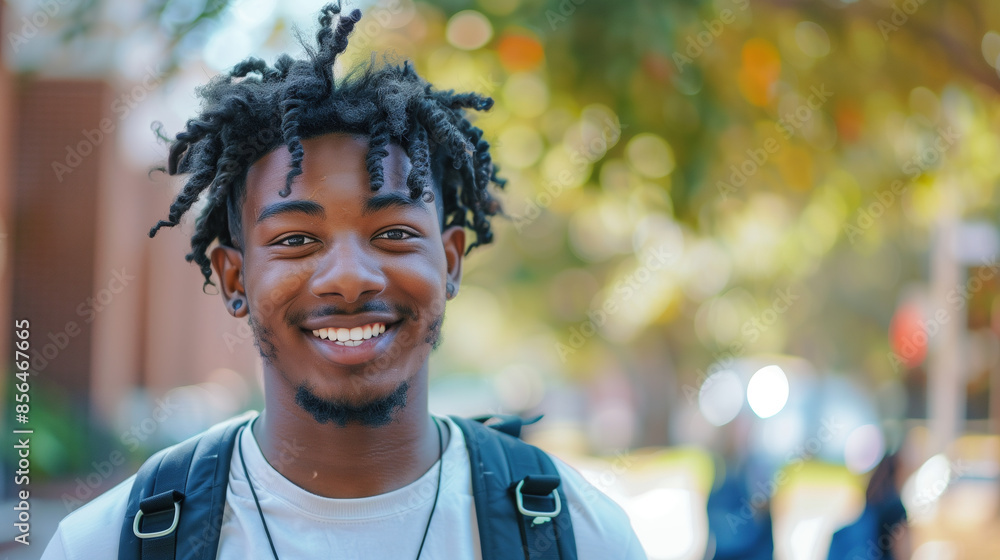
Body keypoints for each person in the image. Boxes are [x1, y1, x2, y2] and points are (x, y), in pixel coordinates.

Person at [40, 3, 646, 559]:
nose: (351, 278)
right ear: (234, 278)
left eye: (394, 233)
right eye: (295, 240)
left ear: (451, 261)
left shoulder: (577, 534)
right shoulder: (108, 543)